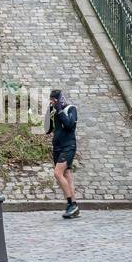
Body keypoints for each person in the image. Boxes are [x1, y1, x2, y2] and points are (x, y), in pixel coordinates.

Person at [47, 89, 80, 218]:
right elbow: (48, 130)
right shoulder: (55, 111)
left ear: (59, 99)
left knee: (57, 173)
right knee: (67, 175)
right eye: (51, 100)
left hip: (68, 146)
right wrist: (49, 114)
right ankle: (75, 206)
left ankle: (70, 204)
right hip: (57, 147)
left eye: (53, 100)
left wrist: (60, 110)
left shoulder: (71, 109)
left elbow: (70, 125)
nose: (52, 102)